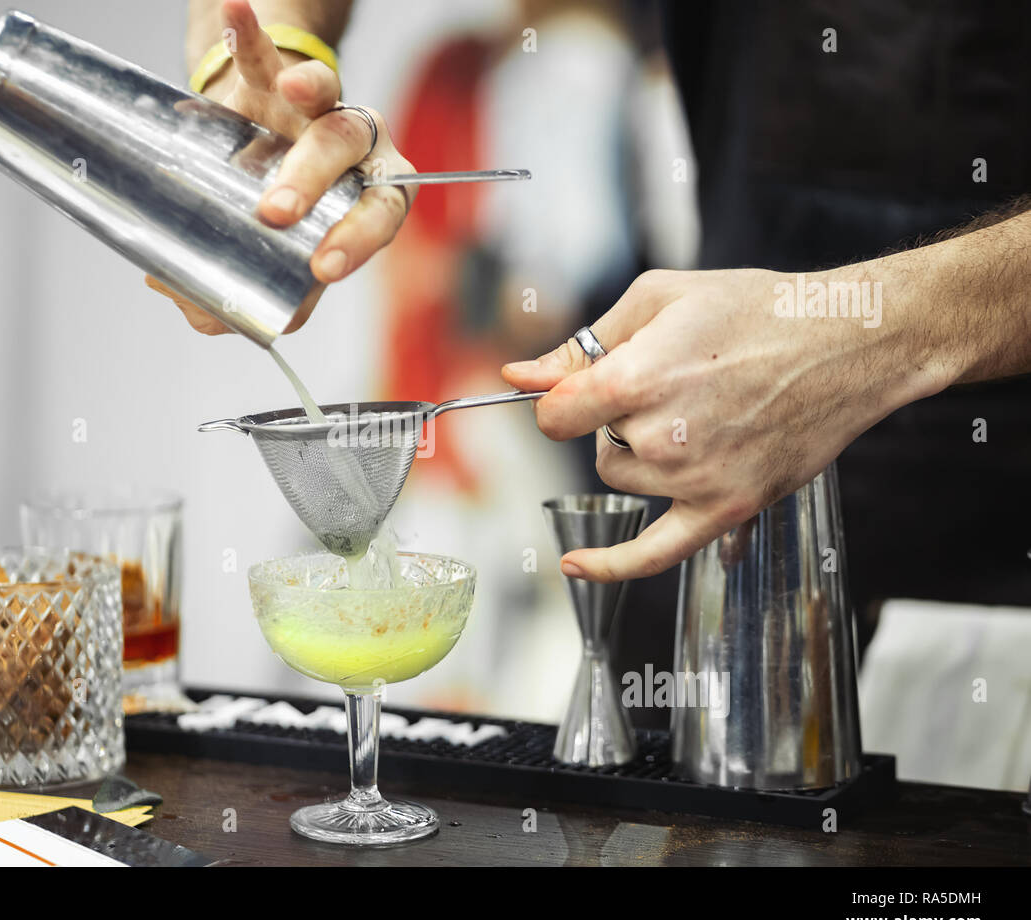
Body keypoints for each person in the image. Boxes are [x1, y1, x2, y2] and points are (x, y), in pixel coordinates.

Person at [164, 0, 1031, 632]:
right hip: (719, 532)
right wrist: (259, 61)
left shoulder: (578, 69)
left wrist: (855, 330)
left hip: (989, 590)